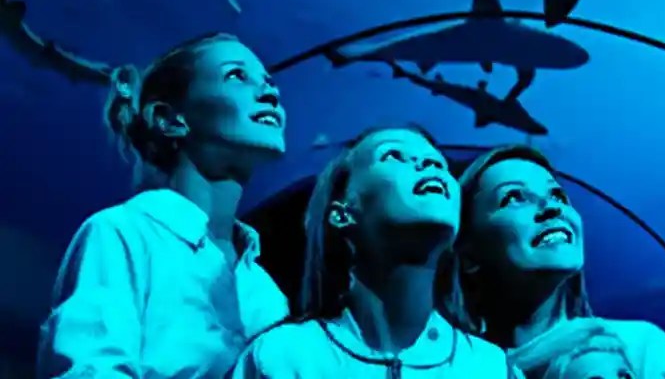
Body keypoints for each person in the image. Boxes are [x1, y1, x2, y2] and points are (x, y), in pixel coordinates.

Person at [37, 33, 290, 379]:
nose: (270, 93)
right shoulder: (121, 233)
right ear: (169, 119)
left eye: (270, 82)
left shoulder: (267, 293)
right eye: (236, 75)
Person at [230, 124, 519, 378]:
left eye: (439, 162)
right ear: (342, 214)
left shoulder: (493, 369)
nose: (430, 162)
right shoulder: (280, 359)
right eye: (393, 155)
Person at [447, 145, 665, 379]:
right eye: (514, 197)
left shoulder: (642, 349)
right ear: (468, 254)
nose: (551, 207)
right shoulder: (451, 370)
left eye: (557, 195)